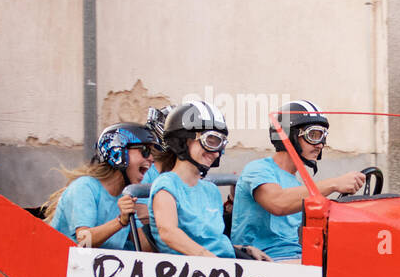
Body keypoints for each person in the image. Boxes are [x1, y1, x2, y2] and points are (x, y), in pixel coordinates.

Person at [232, 100, 366, 261]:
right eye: (313, 135)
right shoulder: (258, 169)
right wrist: (334, 183)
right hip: (261, 262)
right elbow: (278, 203)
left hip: (296, 258)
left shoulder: (296, 184)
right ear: (290, 135)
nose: (320, 145)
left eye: (323, 137)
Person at [149, 100, 266, 259]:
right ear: (183, 140)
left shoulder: (210, 190)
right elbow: (168, 232)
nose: (216, 153)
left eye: (220, 144)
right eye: (210, 141)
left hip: (221, 266)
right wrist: (209, 259)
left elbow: (211, 240)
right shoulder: (166, 185)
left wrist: (242, 249)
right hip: (191, 273)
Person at [45, 122, 161, 249]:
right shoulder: (84, 187)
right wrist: (120, 222)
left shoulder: (126, 197)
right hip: (64, 265)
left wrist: (155, 217)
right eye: (145, 151)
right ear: (119, 152)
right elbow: (84, 241)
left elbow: (144, 249)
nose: (151, 158)